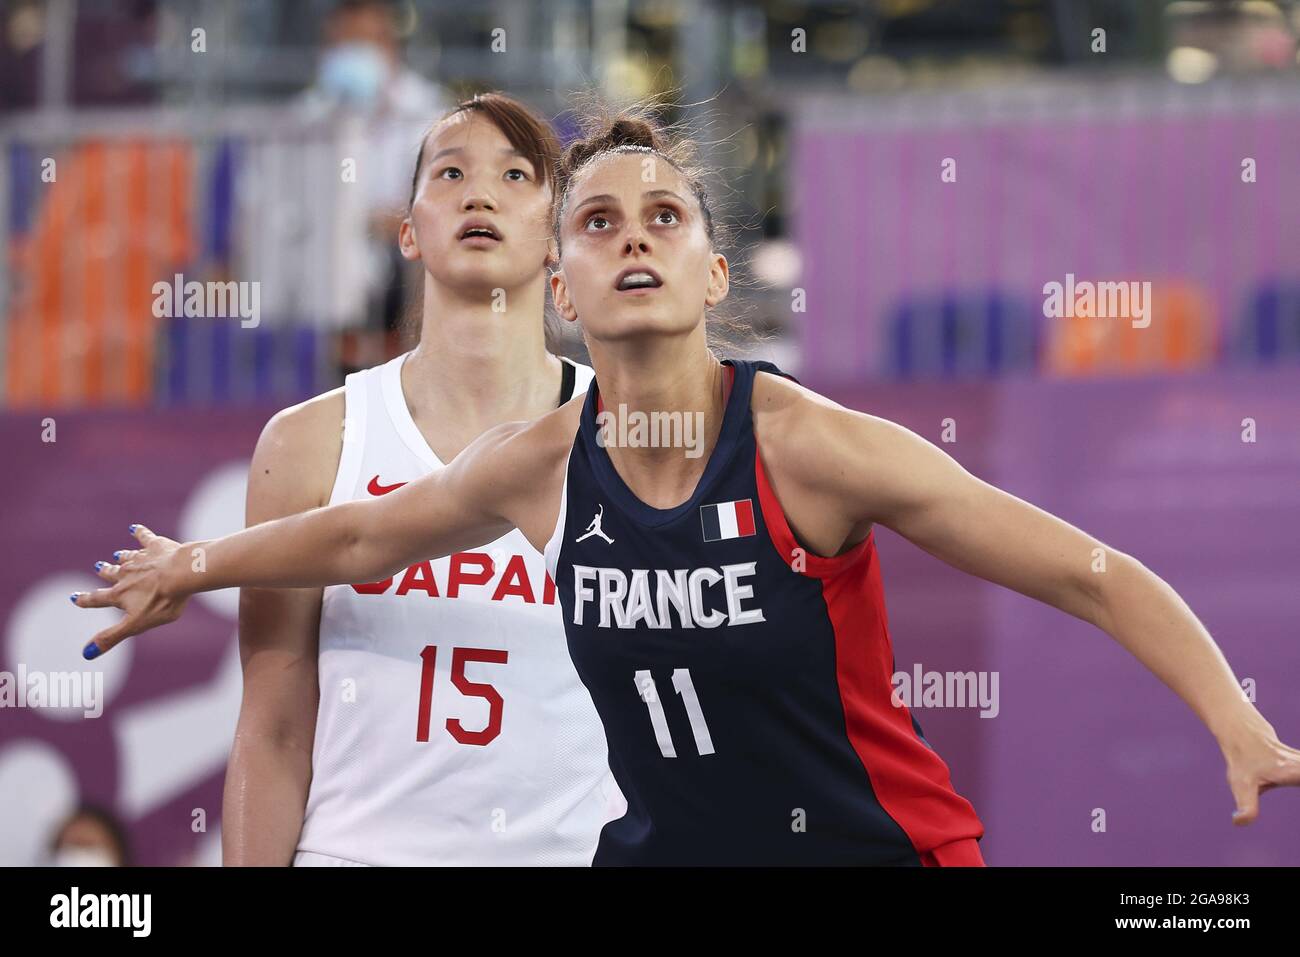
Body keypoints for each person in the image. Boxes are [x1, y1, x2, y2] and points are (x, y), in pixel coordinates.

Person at [74, 107, 1300, 866]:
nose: (633, 237)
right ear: (564, 288)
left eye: (664, 217)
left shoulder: (808, 447)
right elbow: (353, 542)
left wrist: (1234, 720)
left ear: (716, 272)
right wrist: (188, 566)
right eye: (598, 222)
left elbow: (1088, 570)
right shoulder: (545, 463)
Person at [214, 92, 616, 866]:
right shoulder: (307, 443)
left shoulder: (621, 434)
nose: (480, 193)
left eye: (516, 175)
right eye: (451, 172)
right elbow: (271, 726)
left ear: (556, 237)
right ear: (406, 230)